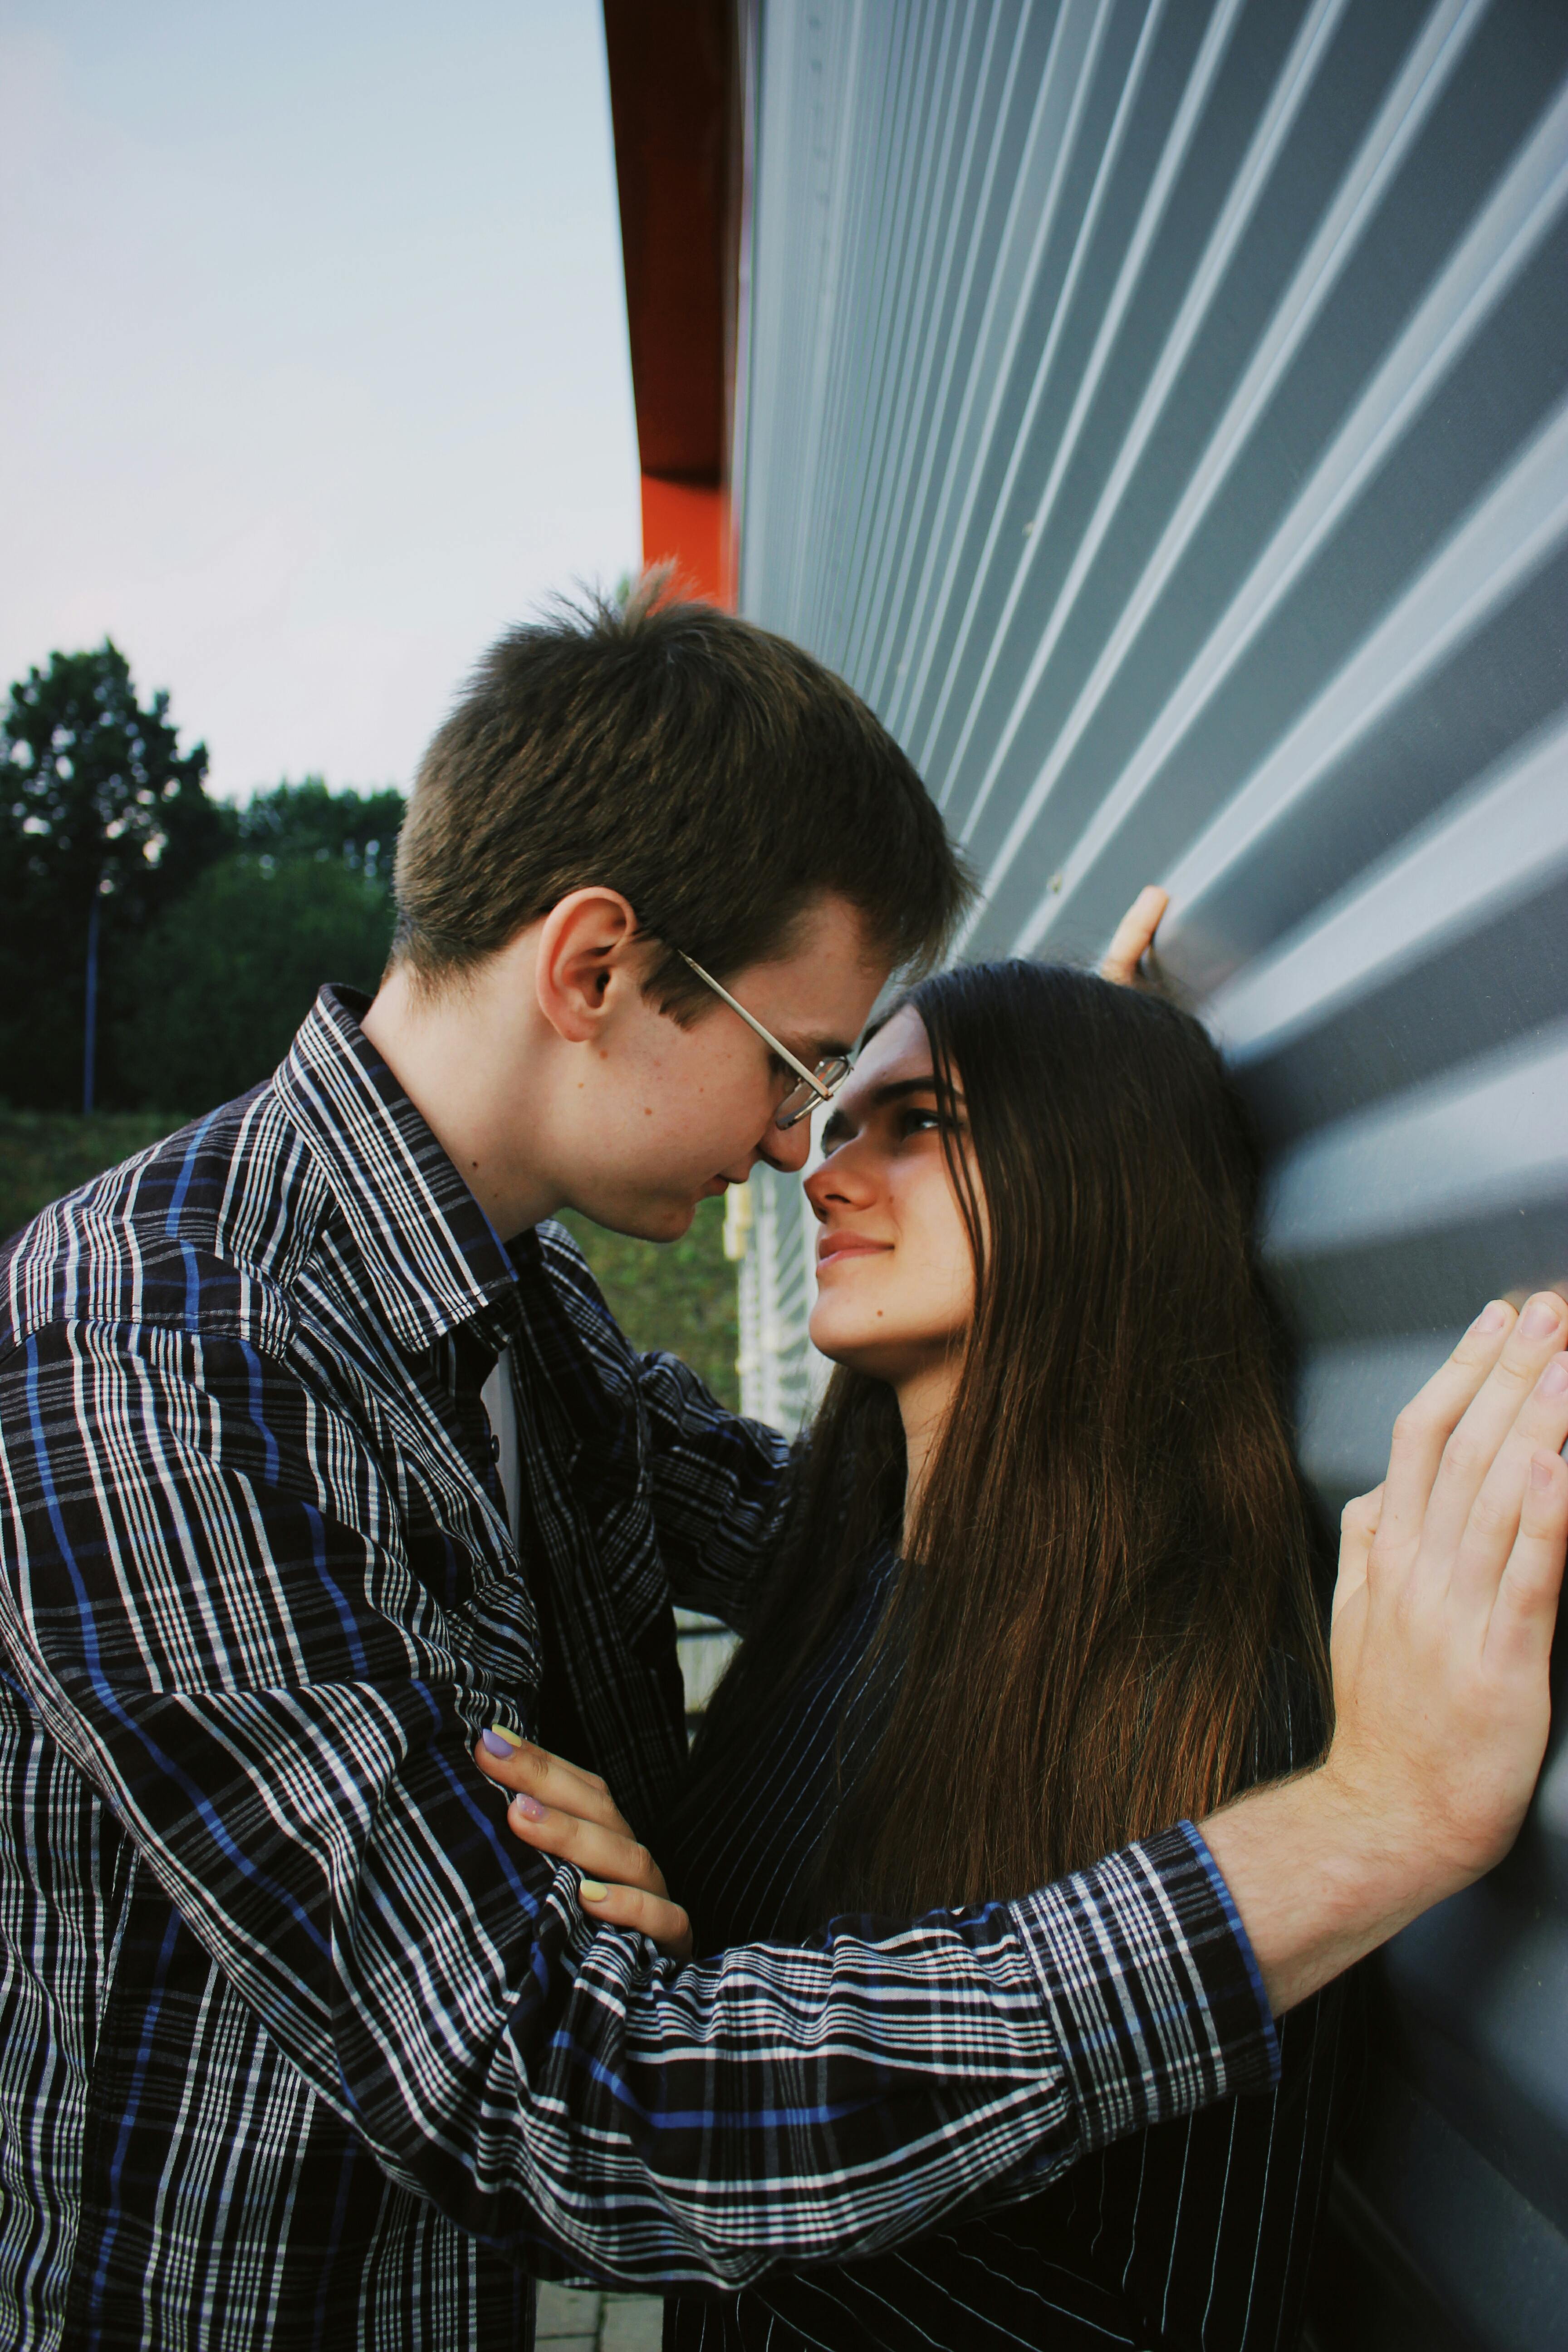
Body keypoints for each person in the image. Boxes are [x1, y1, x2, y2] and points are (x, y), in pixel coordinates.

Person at [0, 588, 1562, 2351]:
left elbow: (851, 1518)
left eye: (873, 1101)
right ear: (597, 972)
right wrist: (1375, 1822)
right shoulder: (158, 1349)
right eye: (806, 1063)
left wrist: (1059, 1151)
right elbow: (562, 2103)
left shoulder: (521, 1307)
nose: (796, 1142)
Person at [500, 958, 1352, 2347]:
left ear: (1091, 1172)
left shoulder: (1184, 1702)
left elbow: (1182, 2311)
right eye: (843, 1124)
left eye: (921, 1124)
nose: (821, 1174)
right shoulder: (844, 1587)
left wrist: (708, 2087)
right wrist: (662, 1965)